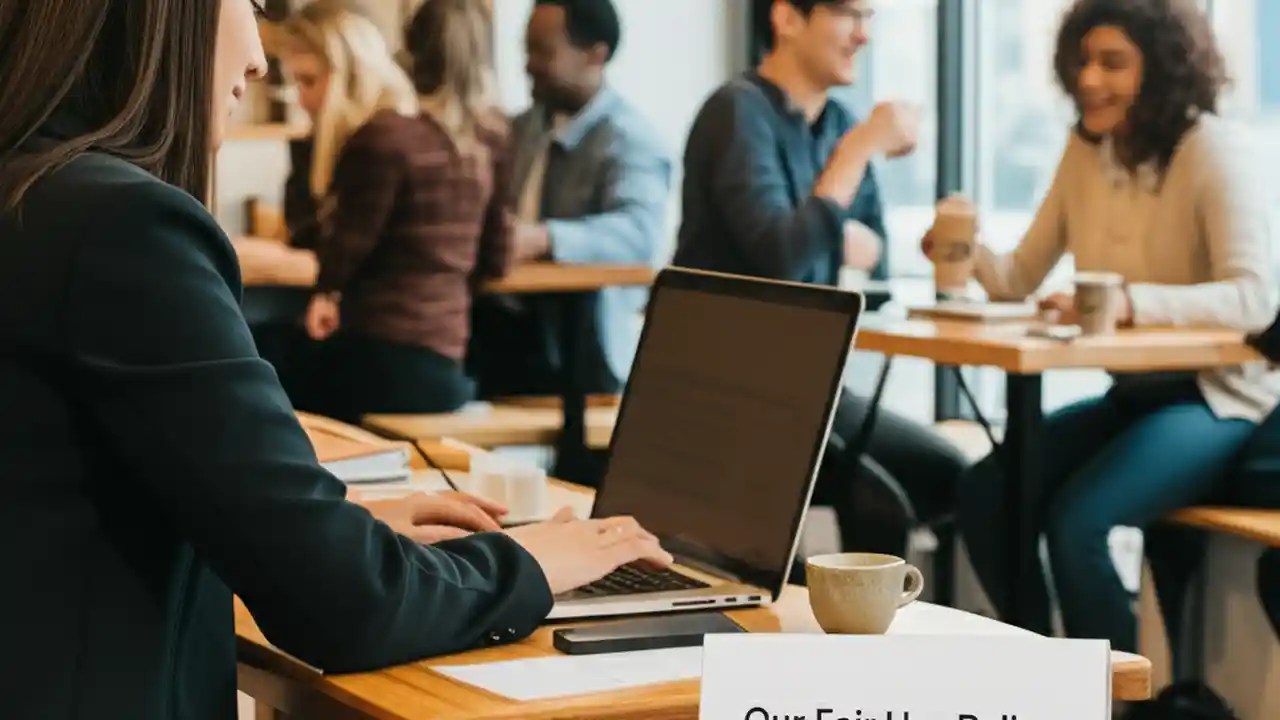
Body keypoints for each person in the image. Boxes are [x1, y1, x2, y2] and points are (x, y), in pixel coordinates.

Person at [0, 2, 672, 718]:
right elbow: (343, 605)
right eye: (248, 4)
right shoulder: (121, 228)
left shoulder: (33, 195)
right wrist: (530, 563)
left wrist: (325, 520)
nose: (258, 58)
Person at [950, 0, 1278, 651]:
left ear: (1162, 70)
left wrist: (1129, 302)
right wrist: (960, 249)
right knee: (988, 492)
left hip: (1219, 397)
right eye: (1083, 61)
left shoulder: (1212, 150)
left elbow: (1256, 299)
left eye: (1113, 63)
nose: (1089, 79)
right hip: (1133, 396)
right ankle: (1037, 670)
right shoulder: (1086, 152)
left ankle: (1127, 702)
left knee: (1080, 522)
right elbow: (1018, 277)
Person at [673, 0, 968, 562]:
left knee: (957, 477)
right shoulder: (737, 113)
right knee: (880, 500)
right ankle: (850, 642)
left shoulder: (835, 123)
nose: (863, 36)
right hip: (726, 391)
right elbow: (782, 256)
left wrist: (822, 220)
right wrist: (857, 154)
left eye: (870, 19)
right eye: (848, 15)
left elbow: (875, 253)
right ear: (786, 19)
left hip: (809, 384)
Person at [279, 1, 513, 422]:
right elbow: (496, 258)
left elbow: (347, 248)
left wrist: (328, 291)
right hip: (447, 364)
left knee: (252, 355)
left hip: (379, 359)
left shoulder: (386, 137)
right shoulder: (489, 141)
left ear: (407, 51)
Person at [467, 0, 672, 398]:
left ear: (596, 55)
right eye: (526, 49)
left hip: (578, 343)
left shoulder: (631, 139)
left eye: (543, 51)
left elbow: (640, 234)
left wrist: (541, 239)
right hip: (503, 322)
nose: (527, 64)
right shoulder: (520, 127)